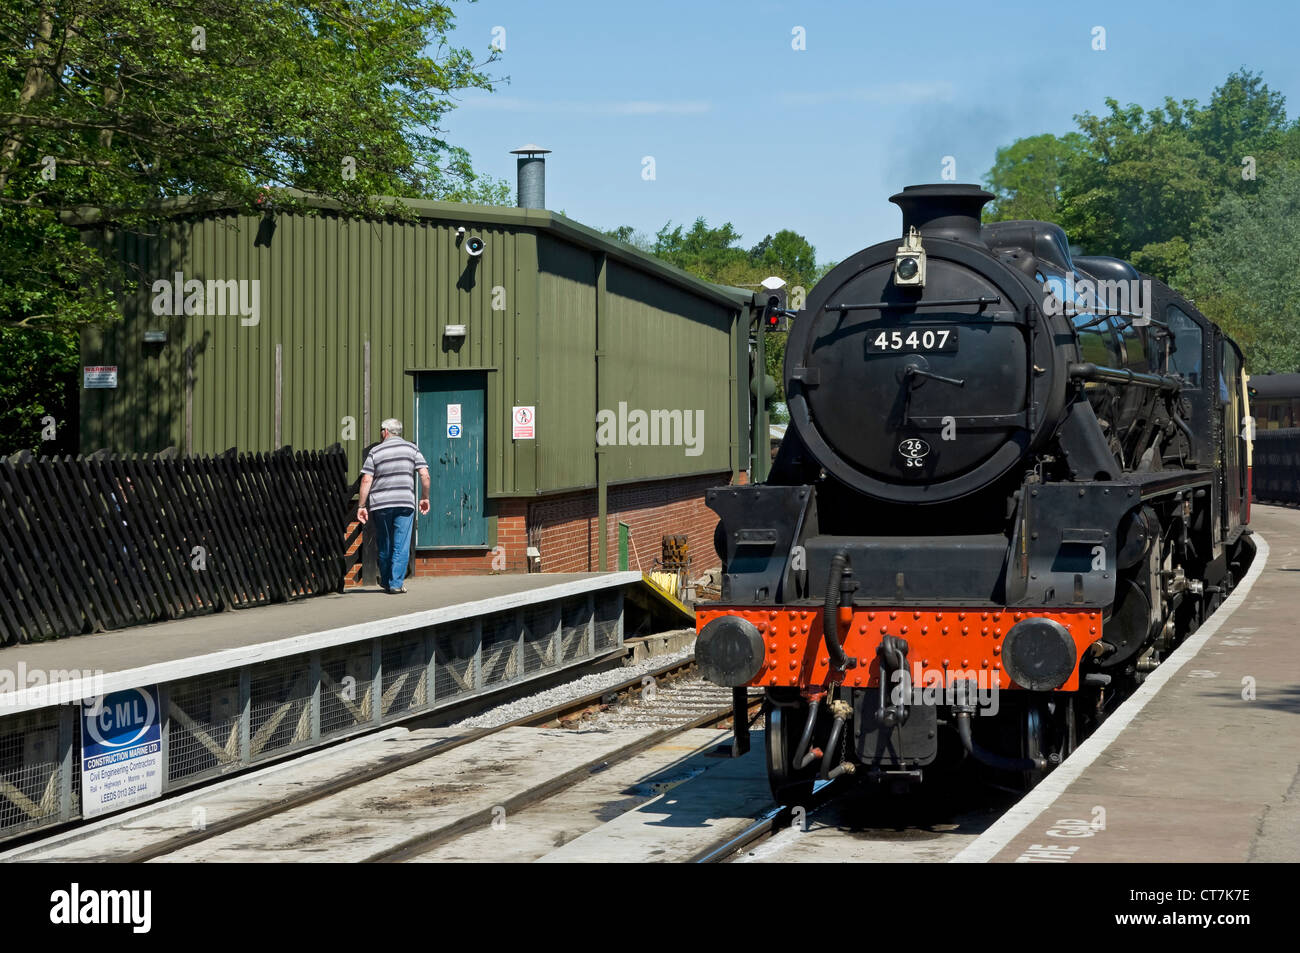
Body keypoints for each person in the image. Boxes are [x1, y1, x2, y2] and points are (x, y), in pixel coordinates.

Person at [356, 418, 431, 593]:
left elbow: (367, 479)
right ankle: (396, 584)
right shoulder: (411, 448)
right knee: (401, 544)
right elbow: (424, 475)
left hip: (380, 504)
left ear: (385, 431)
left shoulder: (375, 451)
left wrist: (361, 506)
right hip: (405, 502)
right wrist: (424, 497)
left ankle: (386, 581)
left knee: (385, 542)